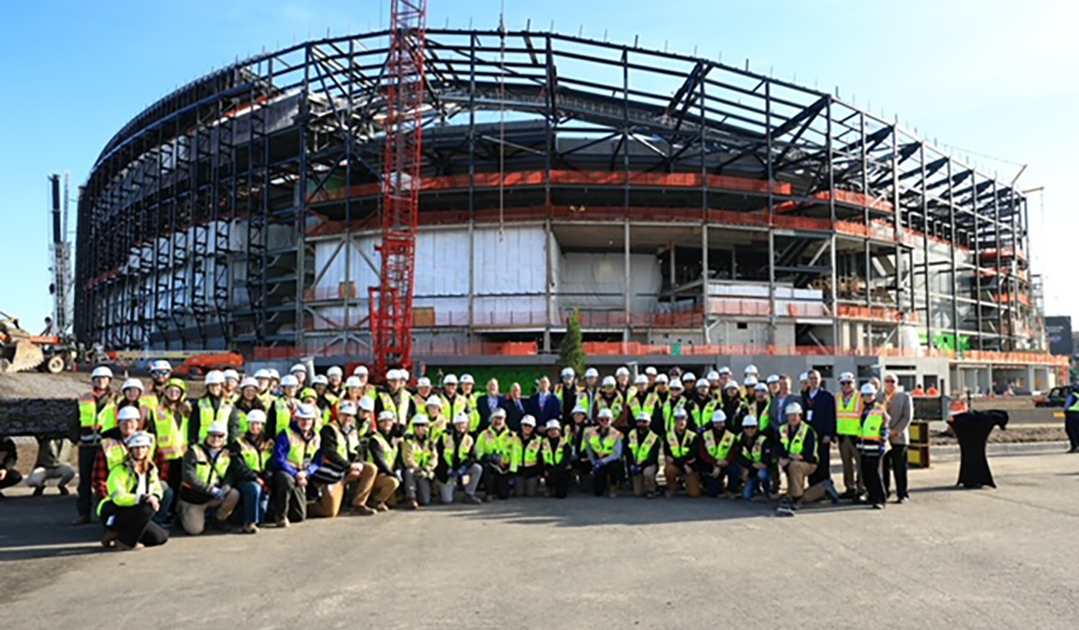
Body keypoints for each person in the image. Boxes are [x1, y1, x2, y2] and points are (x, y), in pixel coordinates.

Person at [178, 421, 253, 534]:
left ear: (225, 437)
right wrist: (209, 489)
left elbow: (229, 476)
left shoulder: (228, 453)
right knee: (195, 530)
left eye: (220, 436)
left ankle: (218, 519)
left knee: (233, 494)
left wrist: (225, 488)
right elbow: (189, 476)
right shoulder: (194, 451)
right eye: (212, 435)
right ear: (207, 435)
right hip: (195, 497)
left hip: (213, 496)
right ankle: (183, 512)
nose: (216, 438)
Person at [97, 432, 169, 550]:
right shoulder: (120, 470)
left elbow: (156, 487)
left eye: (143, 447)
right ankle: (124, 542)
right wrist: (143, 498)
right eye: (136, 448)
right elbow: (118, 498)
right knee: (147, 508)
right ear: (130, 450)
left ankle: (119, 534)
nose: (139, 451)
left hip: (137, 511)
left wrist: (155, 496)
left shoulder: (150, 469)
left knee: (160, 538)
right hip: (114, 511)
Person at [312, 401, 378, 517]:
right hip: (332, 471)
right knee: (330, 512)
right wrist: (349, 466)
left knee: (370, 468)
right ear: (339, 414)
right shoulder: (329, 430)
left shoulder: (353, 430)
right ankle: (301, 508)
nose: (348, 418)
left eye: (351, 415)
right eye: (345, 415)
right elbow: (330, 453)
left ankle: (358, 504)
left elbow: (356, 450)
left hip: (346, 469)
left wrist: (357, 464)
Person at [74, 366, 118, 525]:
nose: (101, 382)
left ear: (109, 381)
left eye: (104, 379)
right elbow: (74, 420)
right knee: (85, 481)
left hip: (108, 445)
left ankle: (107, 513)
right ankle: (84, 513)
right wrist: (75, 439)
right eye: (98, 379)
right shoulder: (84, 398)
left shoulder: (116, 399)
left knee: (107, 480)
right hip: (87, 444)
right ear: (93, 381)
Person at [272, 403, 323, 527]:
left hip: (303, 473)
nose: (305, 422)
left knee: (299, 516)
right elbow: (279, 460)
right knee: (286, 481)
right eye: (302, 419)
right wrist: (296, 474)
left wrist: (306, 473)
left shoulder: (317, 436)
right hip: (286, 471)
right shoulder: (286, 434)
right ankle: (280, 515)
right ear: (296, 419)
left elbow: (318, 461)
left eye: (308, 419)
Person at [146, 378, 189, 520]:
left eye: (177, 391)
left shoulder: (186, 410)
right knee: (165, 487)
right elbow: (151, 431)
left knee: (179, 486)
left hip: (182, 454)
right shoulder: (157, 410)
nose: (173, 393)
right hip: (163, 456)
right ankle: (164, 514)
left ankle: (175, 513)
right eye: (170, 390)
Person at [776, 402, 828, 515]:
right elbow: (778, 448)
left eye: (795, 415)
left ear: (800, 415)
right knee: (788, 465)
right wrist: (785, 457)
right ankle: (820, 490)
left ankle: (796, 499)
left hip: (808, 463)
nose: (793, 418)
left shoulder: (808, 431)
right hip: (791, 461)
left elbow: (811, 453)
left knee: (795, 467)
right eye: (790, 415)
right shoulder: (782, 430)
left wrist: (800, 457)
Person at [234, 409, 274, 525]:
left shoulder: (269, 443)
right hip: (246, 478)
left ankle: (260, 519)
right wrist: (255, 478)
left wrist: (267, 479)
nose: (254, 427)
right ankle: (249, 522)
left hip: (263, 477)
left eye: (257, 424)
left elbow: (271, 463)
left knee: (262, 518)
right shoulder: (239, 442)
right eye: (252, 423)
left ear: (263, 425)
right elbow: (239, 467)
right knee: (254, 489)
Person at [802, 370, 836, 495]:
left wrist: (829, 434)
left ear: (820, 380)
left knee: (823, 462)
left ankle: (825, 488)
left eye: (815, 378)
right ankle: (813, 488)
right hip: (809, 435)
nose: (813, 381)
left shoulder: (827, 396)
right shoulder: (804, 396)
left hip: (823, 435)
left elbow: (831, 417)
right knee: (811, 461)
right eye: (811, 378)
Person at [436, 413, 483, 504]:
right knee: (447, 500)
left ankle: (469, 494)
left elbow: (472, 457)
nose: (461, 426)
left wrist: (464, 467)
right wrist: (447, 469)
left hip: (460, 468)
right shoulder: (444, 437)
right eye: (459, 424)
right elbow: (438, 455)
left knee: (477, 468)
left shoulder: (469, 439)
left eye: (463, 424)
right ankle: (439, 487)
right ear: (454, 424)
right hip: (447, 470)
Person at [882, 373, 913, 503]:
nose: (890, 383)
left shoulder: (904, 397)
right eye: (887, 381)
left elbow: (907, 417)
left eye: (892, 381)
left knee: (899, 467)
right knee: (883, 468)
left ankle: (902, 494)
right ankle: (885, 492)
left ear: (897, 382)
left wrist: (896, 430)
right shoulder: (879, 397)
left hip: (899, 438)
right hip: (883, 438)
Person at [857, 383, 890, 510]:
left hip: (876, 446)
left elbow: (885, 425)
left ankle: (880, 499)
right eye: (865, 395)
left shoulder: (879, 408)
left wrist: (883, 440)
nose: (868, 397)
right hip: (864, 446)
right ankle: (871, 496)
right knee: (866, 473)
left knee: (875, 474)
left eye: (870, 395)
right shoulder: (862, 409)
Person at [834, 372, 864, 499]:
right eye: (843, 383)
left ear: (854, 383)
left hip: (857, 436)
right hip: (842, 436)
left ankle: (861, 489)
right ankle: (849, 488)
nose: (846, 385)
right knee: (846, 464)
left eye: (849, 383)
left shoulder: (860, 397)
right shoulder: (837, 398)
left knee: (860, 464)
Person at [476, 408, 517, 501]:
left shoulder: (512, 435)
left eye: (500, 419)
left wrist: (511, 469)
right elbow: (479, 450)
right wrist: (487, 457)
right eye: (496, 419)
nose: (498, 421)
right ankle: (489, 493)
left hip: (504, 467)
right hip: (490, 464)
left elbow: (515, 453)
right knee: (485, 468)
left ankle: (498, 488)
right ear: (492, 419)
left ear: (504, 419)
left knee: (503, 495)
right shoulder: (484, 434)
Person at [366, 410, 403, 511]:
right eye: (383, 421)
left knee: (393, 502)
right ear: (379, 423)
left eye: (389, 421)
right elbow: (380, 461)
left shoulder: (394, 440)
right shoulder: (375, 440)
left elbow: (398, 458)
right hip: (377, 474)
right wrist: (393, 474)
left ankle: (381, 497)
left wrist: (398, 470)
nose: (387, 424)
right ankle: (375, 501)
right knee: (393, 482)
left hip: (388, 473)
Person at [402, 414, 440, 508]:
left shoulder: (430, 441)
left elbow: (434, 457)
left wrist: (428, 468)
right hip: (414, 469)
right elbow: (408, 459)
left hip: (424, 471)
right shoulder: (409, 441)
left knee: (425, 500)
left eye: (423, 425)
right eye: (417, 425)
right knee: (409, 472)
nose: (420, 428)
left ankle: (429, 492)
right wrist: (418, 469)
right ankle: (411, 498)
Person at [699, 410, 738, 498]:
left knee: (734, 470)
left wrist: (727, 461)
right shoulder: (705, 435)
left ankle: (731, 490)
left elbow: (734, 453)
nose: (719, 425)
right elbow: (703, 453)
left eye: (721, 422)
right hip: (711, 465)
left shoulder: (731, 436)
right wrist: (715, 463)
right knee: (713, 493)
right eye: (716, 423)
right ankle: (711, 484)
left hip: (726, 463)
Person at [663, 408, 701, 498]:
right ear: (674, 421)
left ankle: (690, 483)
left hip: (690, 468)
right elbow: (668, 457)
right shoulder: (668, 436)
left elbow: (693, 456)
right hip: (679, 466)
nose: (681, 422)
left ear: (687, 420)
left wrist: (678, 461)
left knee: (694, 494)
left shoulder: (693, 436)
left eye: (683, 419)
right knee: (669, 469)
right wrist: (683, 464)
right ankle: (673, 488)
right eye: (678, 419)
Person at [586, 408, 623, 498]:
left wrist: (604, 461)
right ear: (598, 420)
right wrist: (594, 462)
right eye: (602, 419)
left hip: (611, 460)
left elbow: (617, 453)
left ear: (611, 420)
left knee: (615, 466)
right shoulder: (591, 433)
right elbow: (589, 449)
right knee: (598, 492)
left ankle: (613, 487)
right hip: (598, 460)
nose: (605, 422)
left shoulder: (617, 434)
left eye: (607, 419)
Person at [193, 371, 236, 444]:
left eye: (217, 385)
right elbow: (194, 425)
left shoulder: (229, 404)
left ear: (222, 386)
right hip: (203, 443)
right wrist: (192, 442)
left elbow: (232, 426)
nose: (214, 388)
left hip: (222, 443)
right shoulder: (200, 403)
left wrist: (232, 443)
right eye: (212, 385)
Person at [625, 411, 660, 498]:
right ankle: (642, 485)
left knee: (647, 473)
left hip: (649, 464)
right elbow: (628, 452)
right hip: (635, 464)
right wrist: (632, 464)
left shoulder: (654, 437)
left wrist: (642, 465)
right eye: (639, 421)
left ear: (649, 423)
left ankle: (651, 490)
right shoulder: (631, 435)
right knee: (638, 493)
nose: (641, 424)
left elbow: (653, 456)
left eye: (644, 422)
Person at [736, 415, 772, 500]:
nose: (749, 430)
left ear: (756, 427)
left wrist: (762, 465)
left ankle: (767, 491)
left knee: (762, 474)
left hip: (763, 469)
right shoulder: (739, 439)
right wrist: (751, 465)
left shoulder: (763, 440)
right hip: (751, 470)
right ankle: (755, 489)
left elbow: (767, 461)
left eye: (752, 427)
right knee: (747, 496)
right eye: (746, 427)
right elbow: (738, 457)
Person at [540, 420, 573, 498]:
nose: (553, 432)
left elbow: (567, 458)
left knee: (561, 495)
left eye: (555, 430)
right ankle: (549, 487)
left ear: (559, 431)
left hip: (561, 469)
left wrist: (560, 468)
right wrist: (546, 468)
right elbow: (540, 457)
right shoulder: (543, 442)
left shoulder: (564, 442)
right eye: (550, 430)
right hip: (548, 468)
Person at [1064, 383, 1079, 453]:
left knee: (1071, 430)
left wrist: (1065, 411)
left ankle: (1074, 446)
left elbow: (1067, 405)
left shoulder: (1073, 396)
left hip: (1072, 414)